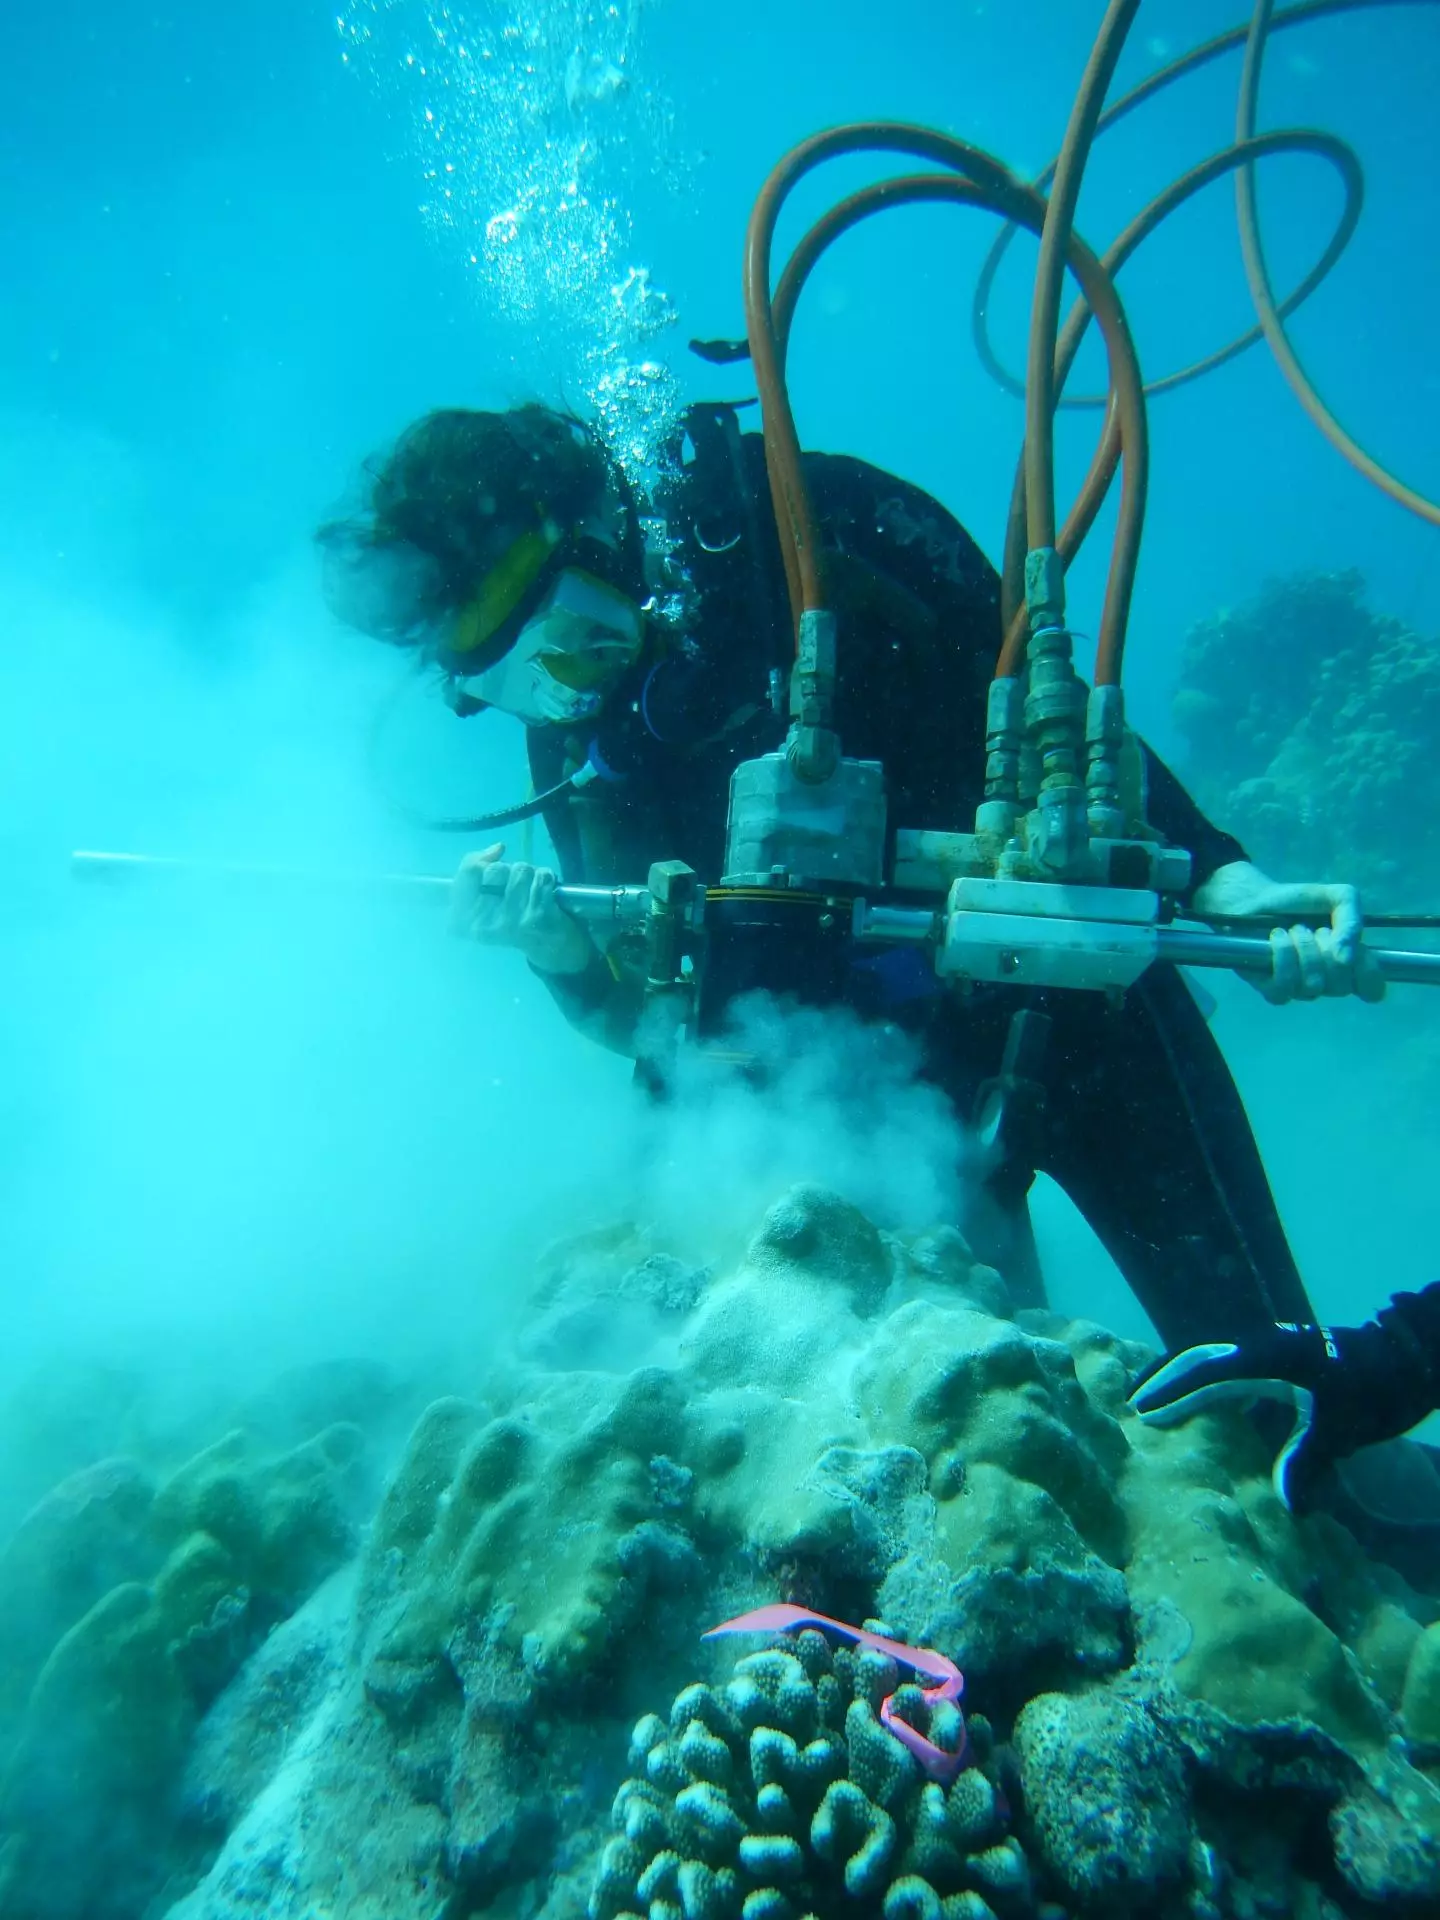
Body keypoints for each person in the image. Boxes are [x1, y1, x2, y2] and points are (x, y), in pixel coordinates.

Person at [318, 399, 1436, 1512]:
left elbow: (1061, 726)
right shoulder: (579, 735)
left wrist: (1222, 875)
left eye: (565, 635)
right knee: (954, 1453)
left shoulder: (821, 526)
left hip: (1079, 1020)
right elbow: (649, 1023)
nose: (574, 684)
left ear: (596, 535)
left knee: (1282, 1427)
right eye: (522, 680)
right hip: (861, 1111)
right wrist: (560, 954)